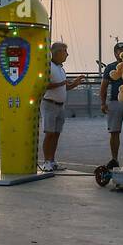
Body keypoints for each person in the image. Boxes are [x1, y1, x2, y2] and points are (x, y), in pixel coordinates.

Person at [41, 42, 85, 172]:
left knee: (56, 134)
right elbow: (43, 85)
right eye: (65, 51)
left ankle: (52, 160)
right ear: (58, 52)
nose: (67, 54)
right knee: (49, 134)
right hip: (49, 104)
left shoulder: (60, 68)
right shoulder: (48, 66)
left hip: (60, 106)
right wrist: (61, 83)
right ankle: (46, 161)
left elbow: (64, 87)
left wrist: (75, 83)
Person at [98, 38, 123, 169]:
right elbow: (103, 87)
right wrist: (103, 103)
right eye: (121, 50)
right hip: (114, 103)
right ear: (116, 53)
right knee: (114, 132)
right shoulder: (110, 67)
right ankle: (114, 159)